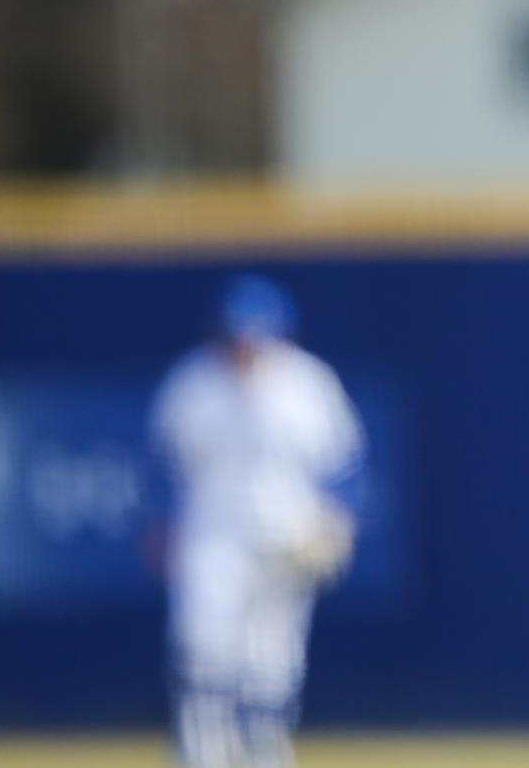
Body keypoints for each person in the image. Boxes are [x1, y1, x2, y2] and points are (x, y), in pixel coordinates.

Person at [150, 275, 364, 768]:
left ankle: (264, 752)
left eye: (256, 338)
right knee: (204, 643)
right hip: (213, 534)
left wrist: (337, 519)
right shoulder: (193, 385)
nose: (247, 350)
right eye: (238, 337)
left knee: (275, 656)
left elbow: (347, 463)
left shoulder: (308, 384)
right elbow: (161, 464)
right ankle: (200, 750)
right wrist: (161, 526)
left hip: (288, 534)